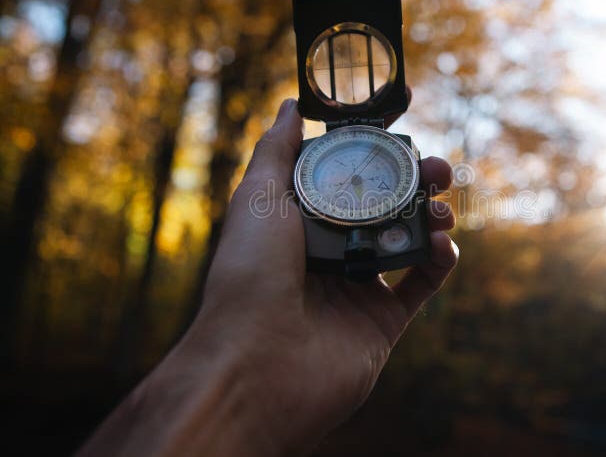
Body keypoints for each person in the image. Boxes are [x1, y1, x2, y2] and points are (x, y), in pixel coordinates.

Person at [78, 95, 458, 456]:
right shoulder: (298, 189)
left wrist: (246, 386)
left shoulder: (341, 166)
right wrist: (254, 370)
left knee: (434, 204)